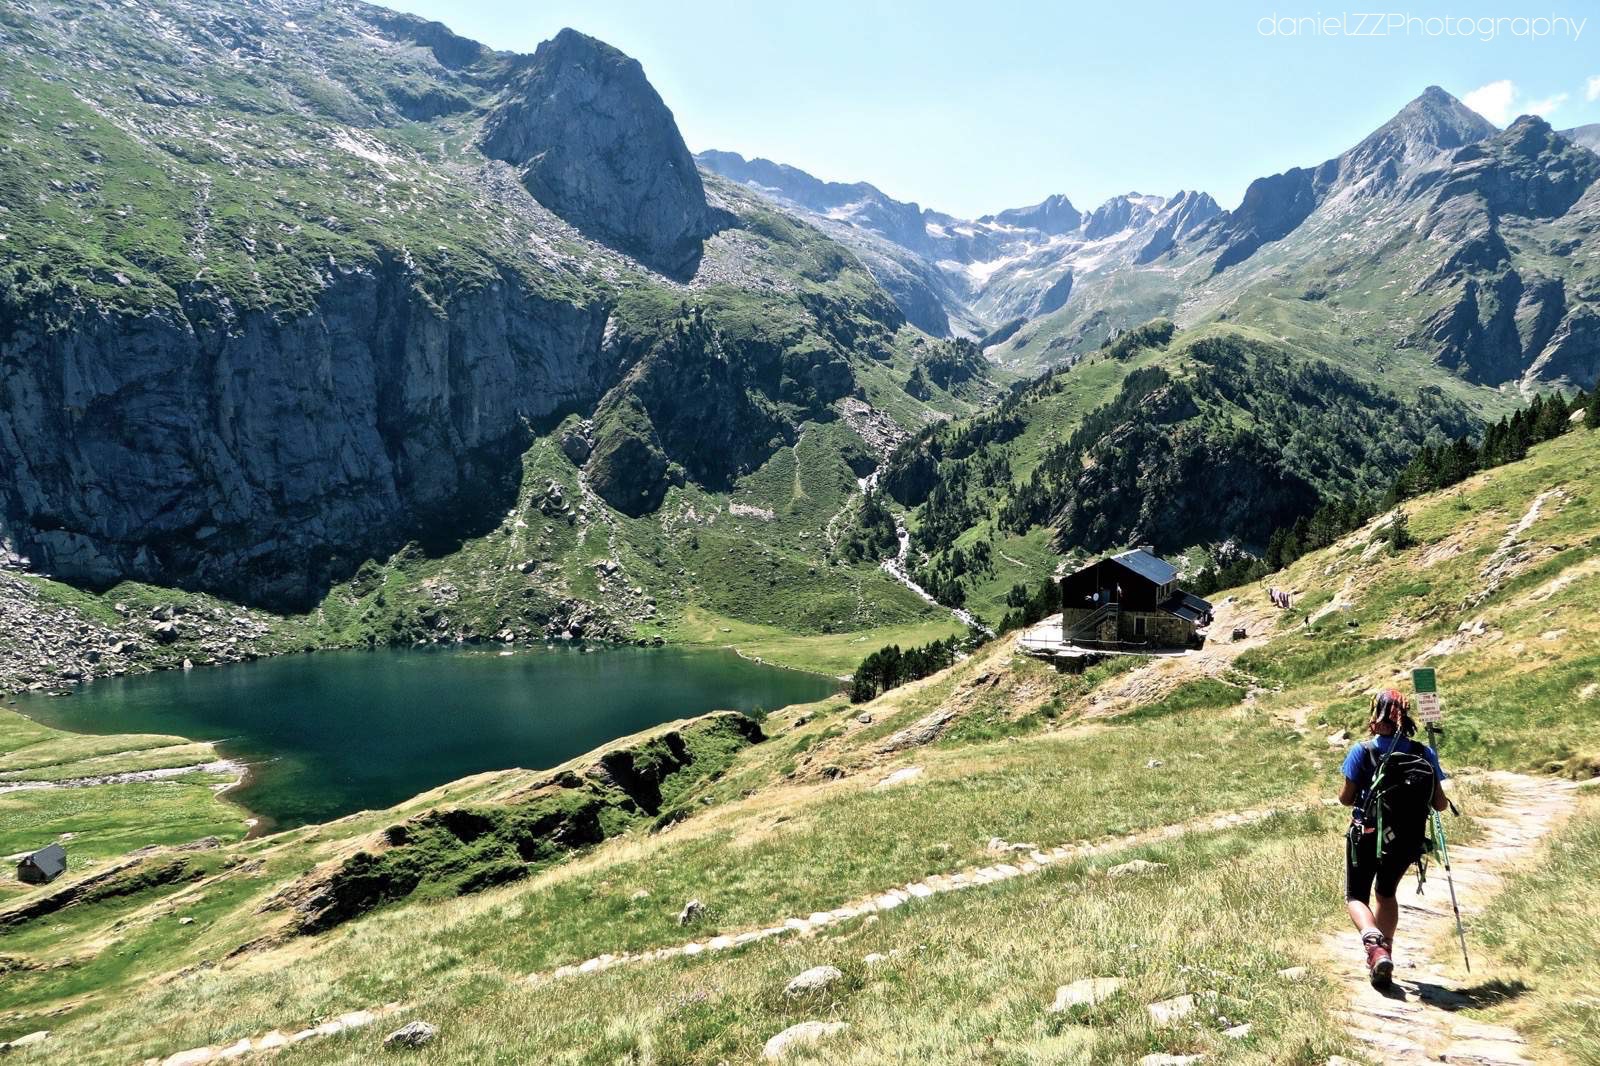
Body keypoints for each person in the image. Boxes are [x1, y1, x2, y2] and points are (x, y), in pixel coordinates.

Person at [1337, 688, 1448, 986]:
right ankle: (1384, 952)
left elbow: (1346, 799)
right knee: (1386, 894)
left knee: (1357, 895)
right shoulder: (1423, 752)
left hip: (1367, 834)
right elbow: (1439, 805)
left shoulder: (1363, 750)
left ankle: (1374, 946)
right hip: (1407, 838)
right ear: (1405, 715)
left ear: (1375, 715)